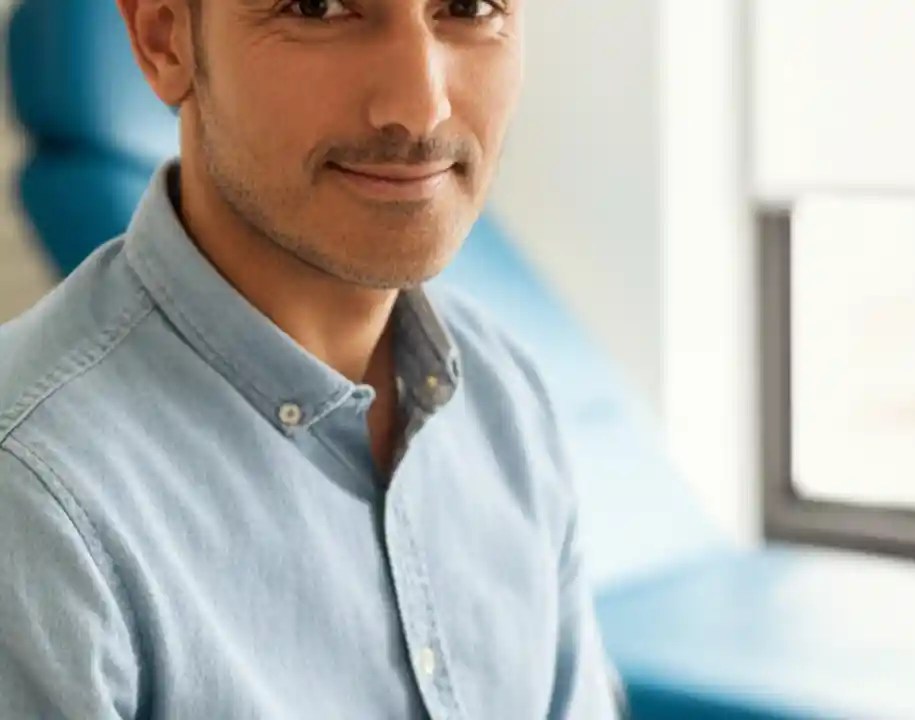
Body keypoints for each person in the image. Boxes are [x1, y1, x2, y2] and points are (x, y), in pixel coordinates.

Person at [0, 0, 621, 717]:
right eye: (320, 8)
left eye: (470, 7)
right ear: (164, 37)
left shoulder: (507, 397)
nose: (420, 108)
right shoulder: (34, 505)